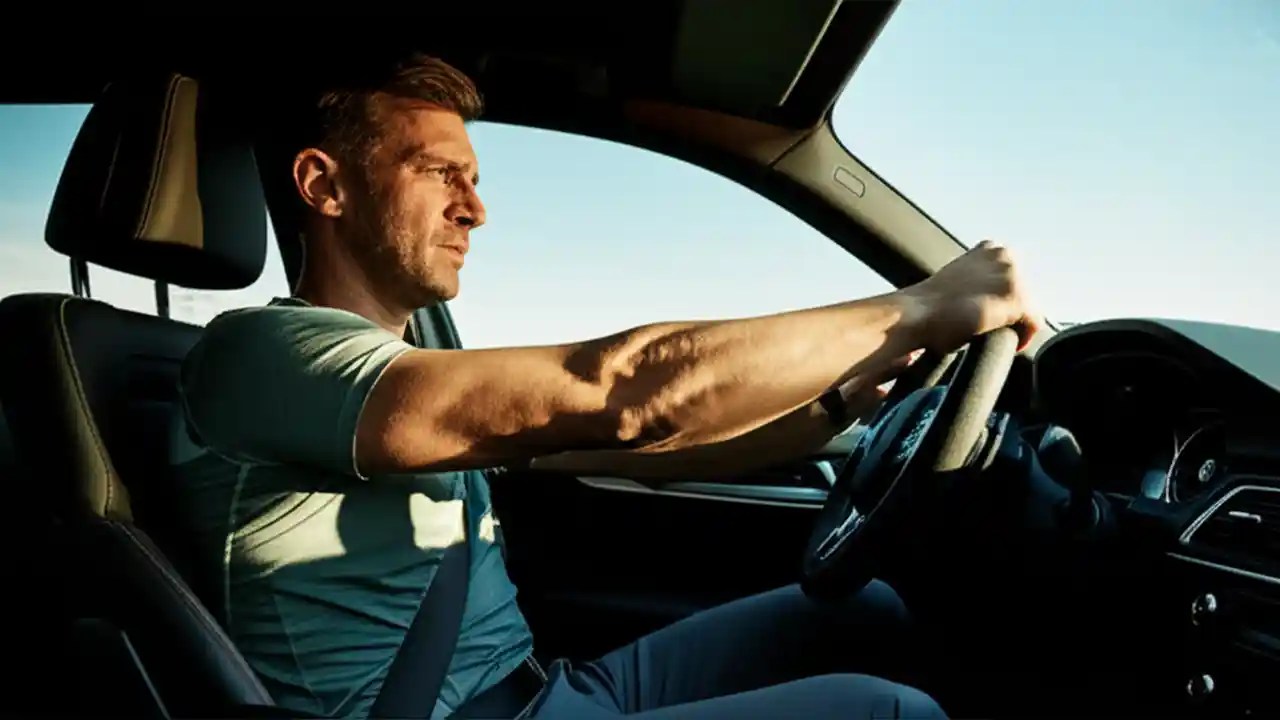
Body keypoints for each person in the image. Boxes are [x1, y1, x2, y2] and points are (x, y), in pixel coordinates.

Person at [172, 52, 1038, 719]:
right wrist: (922, 306)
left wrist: (843, 403)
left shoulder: (409, 382)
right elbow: (620, 393)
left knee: (868, 611)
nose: (475, 209)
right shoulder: (260, 355)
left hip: (548, 688)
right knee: (891, 714)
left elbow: (660, 446)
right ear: (325, 185)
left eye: (473, 180)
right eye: (440, 173)